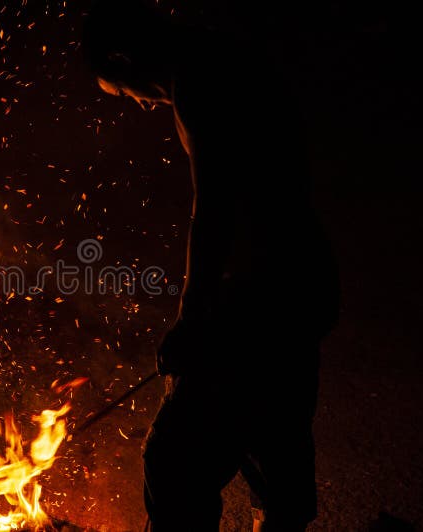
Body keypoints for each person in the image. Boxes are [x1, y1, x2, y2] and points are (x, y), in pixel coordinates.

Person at [83, 1, 339, 530]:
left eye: (126, 91)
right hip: (299, 280)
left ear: (124, 58)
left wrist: (192, 321)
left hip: (258, 297)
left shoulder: (200, 78)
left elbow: (215, 211)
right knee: (274, 440)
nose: (142, 105)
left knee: (176, 463)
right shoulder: (223, 55)